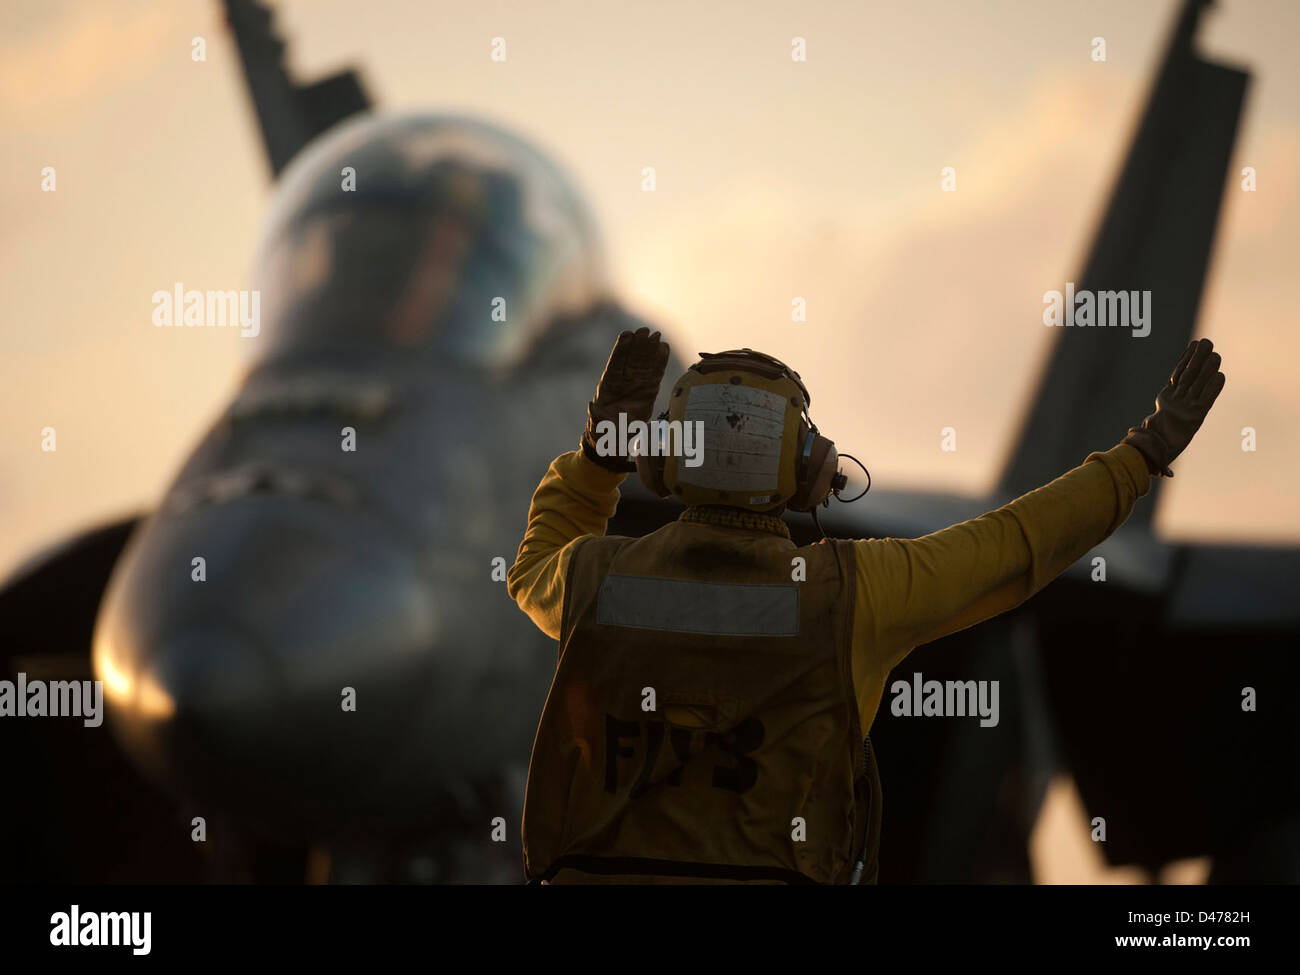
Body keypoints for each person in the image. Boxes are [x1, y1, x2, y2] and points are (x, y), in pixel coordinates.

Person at [507, 328, 1225, 884]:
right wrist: (1142, 454)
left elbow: (531, 566)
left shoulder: (589, 580)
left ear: (663, 461)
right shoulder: (856, 592)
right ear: (810, 468)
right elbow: (1016, 545)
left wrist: (599, 462)